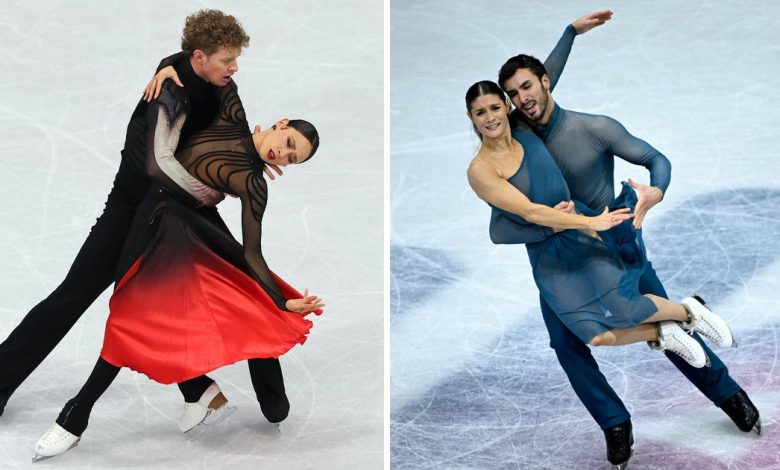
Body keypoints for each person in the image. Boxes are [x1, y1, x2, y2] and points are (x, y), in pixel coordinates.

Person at [0, 9, 286, 432]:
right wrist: (211, 190)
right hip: (135, 206)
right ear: (201, 56)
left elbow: (235, 130)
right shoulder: (167, 93)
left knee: (241, 278)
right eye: (227, 59)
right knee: (79, 294)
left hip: (182, 209)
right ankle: (198, 390)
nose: (234, 67)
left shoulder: (214, 83)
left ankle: (252, 391)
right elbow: (157, 164)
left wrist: (254, 158)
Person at [33, 73, 324, 459]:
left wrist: (282, 303)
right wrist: (169, 67)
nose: (283, 154)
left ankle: (74, 417)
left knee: (128, 323)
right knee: (131, 319)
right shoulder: (232, 115)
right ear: (281, 123)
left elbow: (253, 253)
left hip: (183, 239)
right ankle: (197, 394)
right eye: (288, 144)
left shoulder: (254, 183)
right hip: (148, 222)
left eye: (292, 158)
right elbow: (206, 66)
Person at [494, 50, 761, 466]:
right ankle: (614, 423)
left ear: (547, 81)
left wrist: (656, 191)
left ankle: (727, 393)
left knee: (663, 320)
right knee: (566, 344)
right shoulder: (513, 139)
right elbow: (502, 221)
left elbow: (657, 159)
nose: (521, 98)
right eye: (513, 94)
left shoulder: (593, 127)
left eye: (528, 85)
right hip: (558, 260)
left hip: (612, 247)